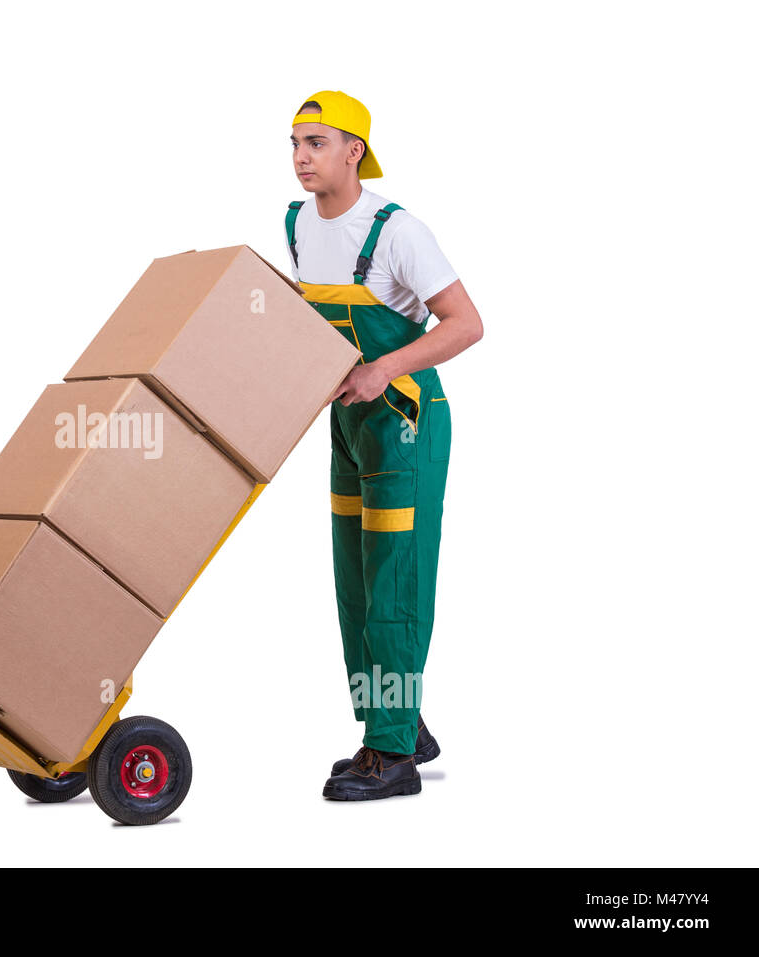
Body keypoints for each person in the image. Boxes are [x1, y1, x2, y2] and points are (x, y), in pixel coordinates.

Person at [284, 90, 483, 801]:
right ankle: (395, 722)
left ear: (354, 151)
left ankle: (393, 758)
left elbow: (465, 324)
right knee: (356, 580)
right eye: (295, 144)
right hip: (346, 422)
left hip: (404, 422)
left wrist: (382, 369)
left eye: (317, 142)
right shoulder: (299, 223)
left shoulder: (396, 231)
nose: (302, 157)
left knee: (395, 582)